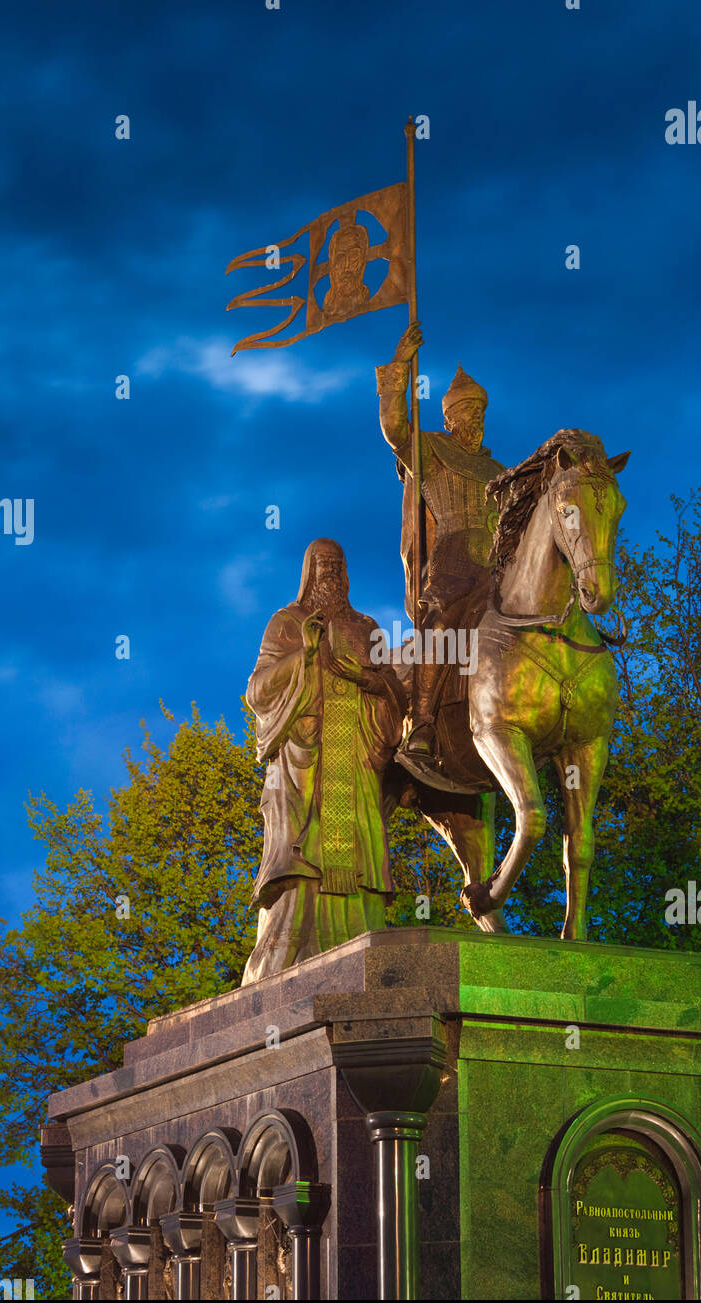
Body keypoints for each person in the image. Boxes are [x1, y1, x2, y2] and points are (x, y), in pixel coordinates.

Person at [241, 538, 407, 982]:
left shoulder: (366, 626)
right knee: (302, 863)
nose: (331, 573)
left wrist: (370, 683)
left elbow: (396, 692)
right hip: (305, 759)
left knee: (358, 861)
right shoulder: (287, 622)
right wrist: (306, 655)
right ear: (308, 572)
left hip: (354, 757)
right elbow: (257, 692)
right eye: (323, 565)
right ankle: (286, 952)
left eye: (338, 565)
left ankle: (362, 943)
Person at [376, 322, 504, 757]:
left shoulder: (499, 472)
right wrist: (399, 367)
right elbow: (395, 428)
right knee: (439, 630)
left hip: (498, 567)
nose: (475, 422)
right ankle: (424, 723)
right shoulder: (430, 449)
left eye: (480, 414)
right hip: (452, 563)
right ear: (448, 419)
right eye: (466, 414)